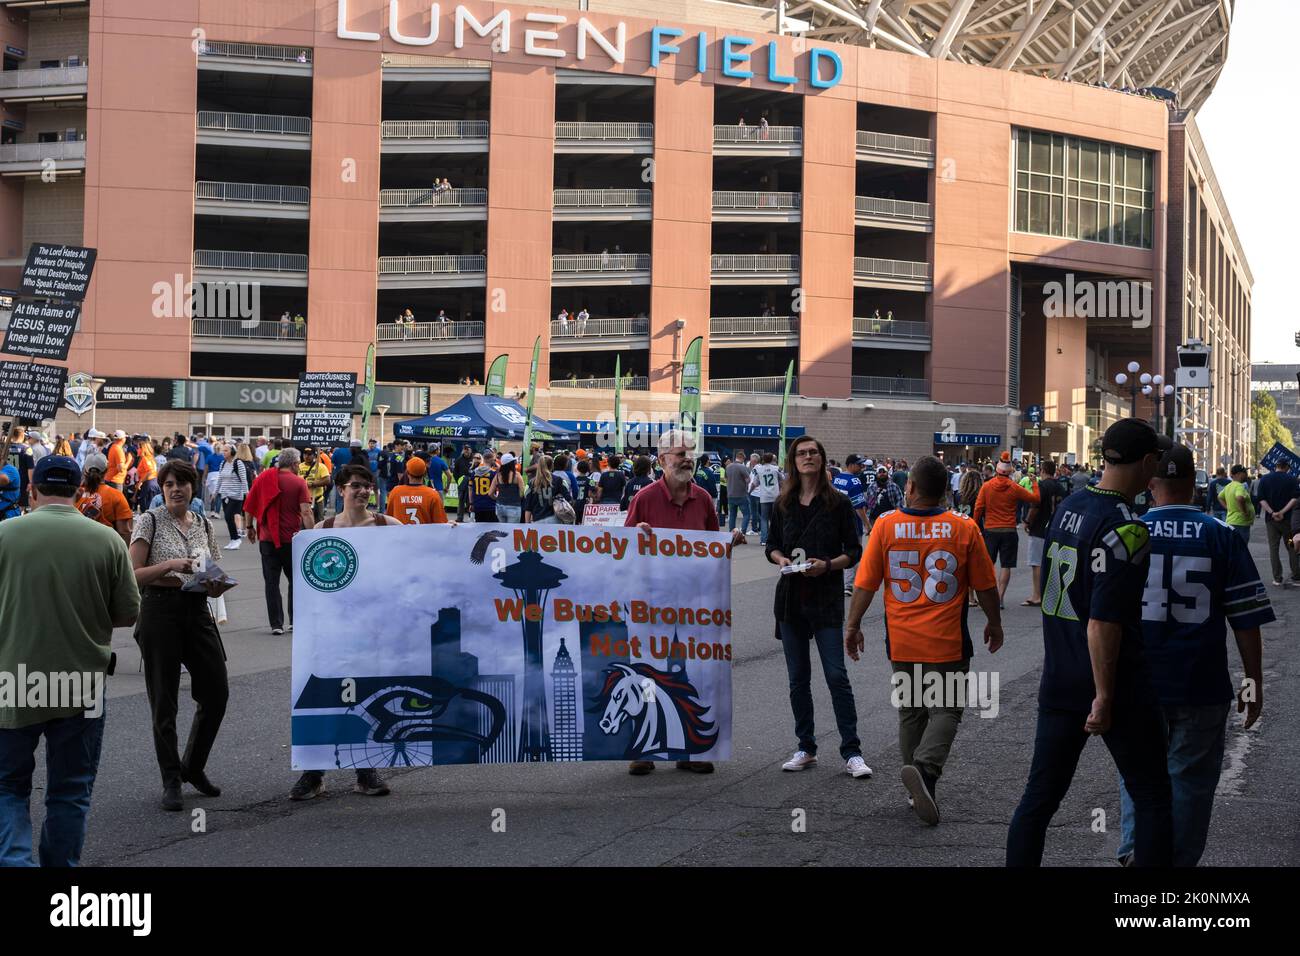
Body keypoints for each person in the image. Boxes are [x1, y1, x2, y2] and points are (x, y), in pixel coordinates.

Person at [1006, 419, 1174, 867]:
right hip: (1115, 685)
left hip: (1060, 676)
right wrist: (1103, 696)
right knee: (1154, 796)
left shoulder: (1071, 504)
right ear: (1148, 462)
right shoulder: (1129, 527)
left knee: (1038, 800)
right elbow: (1104, 622)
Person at [1114, 443, 1272, 867]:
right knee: (1192, 780)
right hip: (1200, 681)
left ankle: (1136, 852)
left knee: (1139, 776)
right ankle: (1175, 861)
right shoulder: (1219, 536)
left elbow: (1101, 619)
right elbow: (1245, 618)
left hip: (1137, 679)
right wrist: (1252, 682)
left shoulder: (1127, 534)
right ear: (1195, 488)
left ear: (1151, 487)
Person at [0, 455, 139, 866]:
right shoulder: (107, 540)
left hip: (13, 681)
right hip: (82, 684)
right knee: (70, 790)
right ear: (80, 490)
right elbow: (128, 614)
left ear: (32, 489)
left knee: (7, 788)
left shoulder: (5, 534)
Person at [847, 456, 1003, 823]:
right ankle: (926, 770)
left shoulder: (886, 525)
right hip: (946, 637)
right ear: (946, 492)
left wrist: (852, 626)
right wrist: (995, 623)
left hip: (901, 638)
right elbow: (986, 584)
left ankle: (917, 790)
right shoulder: (963, 527)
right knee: (946, 709)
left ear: (911, 488)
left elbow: (866, 583)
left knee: (912, 711)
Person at [624, 430, 746, 775]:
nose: (687, 458)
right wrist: (637, 535)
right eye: (679, 453)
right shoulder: (645, 499)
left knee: (693, 673)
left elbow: (712, 545)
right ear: (662, 460)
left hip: (695, 602)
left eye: (690, 452)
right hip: (651, 600)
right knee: (648, 672)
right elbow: (620, 549)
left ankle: (690, 749)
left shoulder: (704, 498)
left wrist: (729, 539)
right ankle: (644, 750)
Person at [289, 465, 402, 801]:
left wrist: (453, 532)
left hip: (372, 629)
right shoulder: (321, 529)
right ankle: (314, 771)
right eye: (356, 486)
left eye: (368, 486)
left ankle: (364, 771)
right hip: (330, 632)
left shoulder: (387, 526)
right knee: (323, 697)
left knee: (365, 697)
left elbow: (425, 547)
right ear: (340, 489)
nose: (363, 492)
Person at [129, 459, 233, 812]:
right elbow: (134, 574)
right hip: (160, 610)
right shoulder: (150, 520)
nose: (176, 489)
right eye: (169, 483)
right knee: (164, 701)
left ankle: (193, 767)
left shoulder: (202, 522)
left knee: (216, 692)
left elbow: (212, 569)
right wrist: (170, 565)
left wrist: (217, 585)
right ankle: (171, 778)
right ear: (161, 487)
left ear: (193, 487)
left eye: (182, 483)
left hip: (197, 609)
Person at [767, 436, 872, 780]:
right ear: (793, 461)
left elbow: (854, 551)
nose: (808, 457)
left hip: (825, 596)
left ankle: (852, 751)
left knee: (836, 676)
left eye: (813, 452)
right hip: (791, 598)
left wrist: (827, 565)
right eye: (801, 453)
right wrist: (780, 558)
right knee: (798, 679)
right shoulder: (783, 503)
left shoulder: (838, 503)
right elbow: (771, 545)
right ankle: (806, 747)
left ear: (822, 459)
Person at [243, 447, 313, 636]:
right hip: (292, 540)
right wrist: (313, 534)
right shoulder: (299, 483)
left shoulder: (262, 479)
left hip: (267, 539)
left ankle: (276, 624)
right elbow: (306, 511)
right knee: (295, 581)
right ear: (294, 464)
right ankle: (294, 621)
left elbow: (249, 504)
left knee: (271, 582)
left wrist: (249, 527)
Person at [972, 452, 1038, 609]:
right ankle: (1000, 598)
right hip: (1009, 530)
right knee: (1006, 565)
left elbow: (978, 508)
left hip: (990, 530)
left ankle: (989, 597)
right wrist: (1034, 483)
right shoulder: (1014, 487)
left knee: (989, 565)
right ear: (1009, 472)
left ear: (996, 471)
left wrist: (975, 526)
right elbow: (1035, 499)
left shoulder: (986, 487)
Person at [1023, 460, 1066, 607]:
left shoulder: (1042, 486)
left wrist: (1028, 521)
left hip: (1040, 526)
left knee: (1037, 563)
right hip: (1055, 526)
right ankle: (1051, 594)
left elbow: (1035, 505)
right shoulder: (1060, 486)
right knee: (1052, 562)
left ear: (1043, 470)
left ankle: (1037, 595)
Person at [1256, 460, 1299, 585]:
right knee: (1291, 546)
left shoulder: (1264, 479)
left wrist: (1272, 512)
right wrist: (1282, 512)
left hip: (1271, 521)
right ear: (1286, 467)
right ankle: (1296, 575)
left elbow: (1261, 499)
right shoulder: (1292, 479)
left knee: (1273, 549)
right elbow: (1294, 499)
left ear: (1276, 466)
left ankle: (1277, 578)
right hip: (1288, 522)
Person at [75, 453, 133, 547]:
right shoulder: (116, 495)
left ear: (85, 471)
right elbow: (124, 532)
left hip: (78, 547)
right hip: (106, 550)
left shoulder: (75, 494)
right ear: (106, 470)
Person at [831, 454, 870, 596]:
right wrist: (867, 524)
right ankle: (848, 585)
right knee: (852, 553)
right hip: (852, 522)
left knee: (838, 551)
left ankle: (839, 582)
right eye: (859, 464)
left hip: (836, 521)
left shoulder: (838, 478)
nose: (861, 467)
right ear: (851, 464)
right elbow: (859, 506)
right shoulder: (855, 481)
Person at [385, 457, 447, 525]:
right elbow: (441, 523)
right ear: (425, 474)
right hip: (424, 535)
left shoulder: (395, 492)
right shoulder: (433, 494)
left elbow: (388, 519)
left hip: (401, 535)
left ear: (407, 474)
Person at [216, 443, 254, 549]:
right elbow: (220, 479)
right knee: (228, 519)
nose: (223, 453)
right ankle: (233, 539)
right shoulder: (223, 463)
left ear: (232, 452)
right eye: (223, 451)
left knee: (229, 516)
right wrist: (215, 493)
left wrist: (247, 494)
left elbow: (243, 480)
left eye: (226, 451)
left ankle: (237, 539)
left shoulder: (238, 463)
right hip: (225, 494)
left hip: (236, 495)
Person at [1218, 464, 1255, 543]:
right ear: (1239, 474)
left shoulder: (1229, 486)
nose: (1247, 475)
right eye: (1245, 472)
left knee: (1233, 547)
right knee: (1242, 548)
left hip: (1231, 521)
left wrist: (1227, 507)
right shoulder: (1239, 486)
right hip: (1241, 523)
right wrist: (1244, 512)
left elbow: (1220, 497)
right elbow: (1239, 498)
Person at [298, 447, 331, 524]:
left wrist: (314, 484)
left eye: (309, 454)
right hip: (304, 501)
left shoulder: (320, 466)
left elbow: (327, 480)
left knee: (319, 523)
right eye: (305, 454)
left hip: (317, 500)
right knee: (303, 523)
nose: (307, 456)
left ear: (314, 456)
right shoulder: (299, 467)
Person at [490, 453, 524, 523]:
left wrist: (497, 498)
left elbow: (490, 493)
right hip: (514, 507)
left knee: (503, 531)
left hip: (500, 507)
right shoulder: (517, 475)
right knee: (512, 531)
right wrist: (517, 498)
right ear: (511, 463)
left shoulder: (497, 476)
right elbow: (522, 492)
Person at [724, 450, 751, 534]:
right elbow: (748, 480)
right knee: (746, 514)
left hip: (730, 494)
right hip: (741, 494)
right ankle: (742, 532)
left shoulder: (728, 467)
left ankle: (731, 532)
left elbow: (726, 479)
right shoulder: (742, 467)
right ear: (742, 458)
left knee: (732, 515)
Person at [468, 451, 498, 523]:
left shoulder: (474, 472)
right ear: (491, 460)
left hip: (477, 504)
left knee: (480, 528)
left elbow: (470, 489)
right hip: (490, 505)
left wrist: (471, 503)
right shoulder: (493, 473)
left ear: (483, 459)